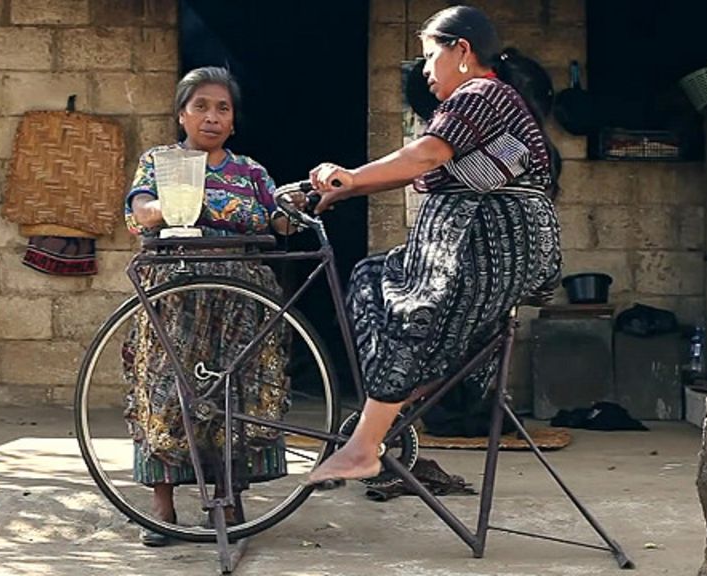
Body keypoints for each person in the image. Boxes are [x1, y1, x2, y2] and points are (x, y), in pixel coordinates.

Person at [305, 6, 563, 487]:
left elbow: (426, 154)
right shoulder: (495, 102)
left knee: (410, 304)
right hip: (507, 247)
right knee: (369, 278)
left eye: (429, 56)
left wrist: (351, 175)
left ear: (462, 51)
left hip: (491, 244)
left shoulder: (480, 93)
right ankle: (386, 412)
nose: (424, 71)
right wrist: (346, 188)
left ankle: (366, 442)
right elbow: (428, 168)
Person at [122, 66, 297, 546]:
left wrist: (303, 202)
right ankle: (162, 504)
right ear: (182, 114)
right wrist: (179, 204)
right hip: (172, 295)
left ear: (234, 122)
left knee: (233, 395)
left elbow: (278, 222)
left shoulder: (251, 172)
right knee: (165, 393)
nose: (212, 117)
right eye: (200, 106)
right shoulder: (158, 163)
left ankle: (227, 497)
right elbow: (139, 214)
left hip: (241, 297)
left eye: (223, 108)